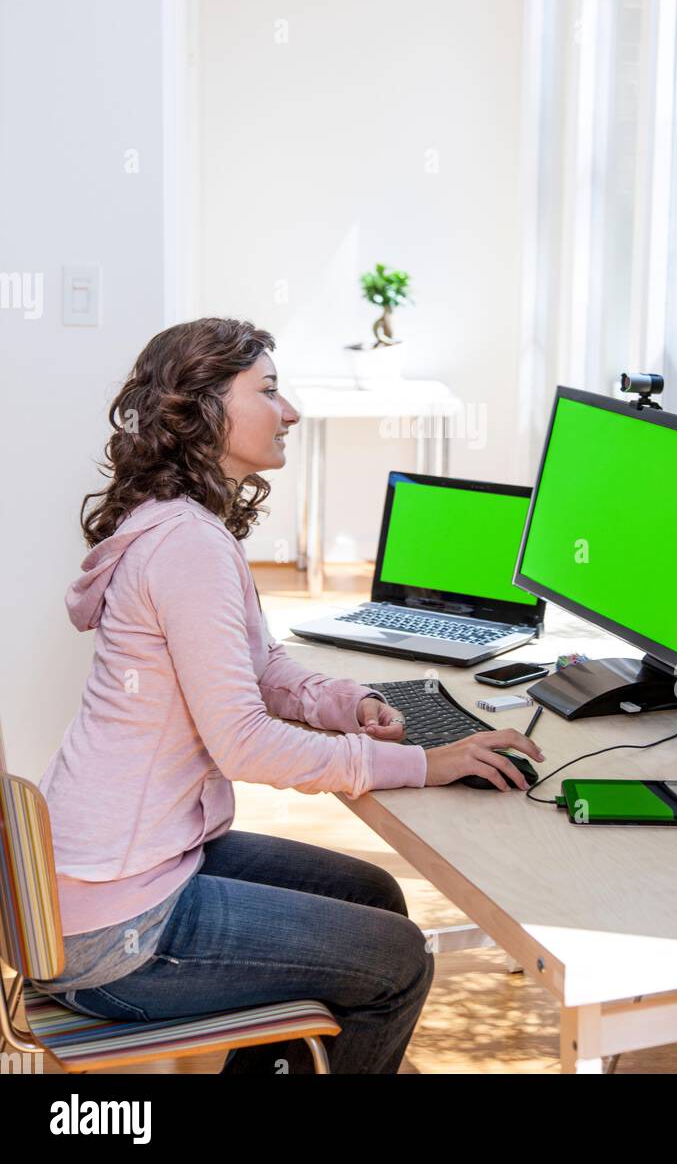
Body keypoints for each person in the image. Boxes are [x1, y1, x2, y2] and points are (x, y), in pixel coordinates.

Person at [32, 317, 543, 1074]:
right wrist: (425, 763)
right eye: (269, 391)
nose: (292, 411)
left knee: (375, 895)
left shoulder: (181, 526)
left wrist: (343, 702)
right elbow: (243, 740)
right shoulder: (186, 546)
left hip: (111, 878)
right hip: (118, 930)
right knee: (398, 959)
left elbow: (260, 661)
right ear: (204, 408)